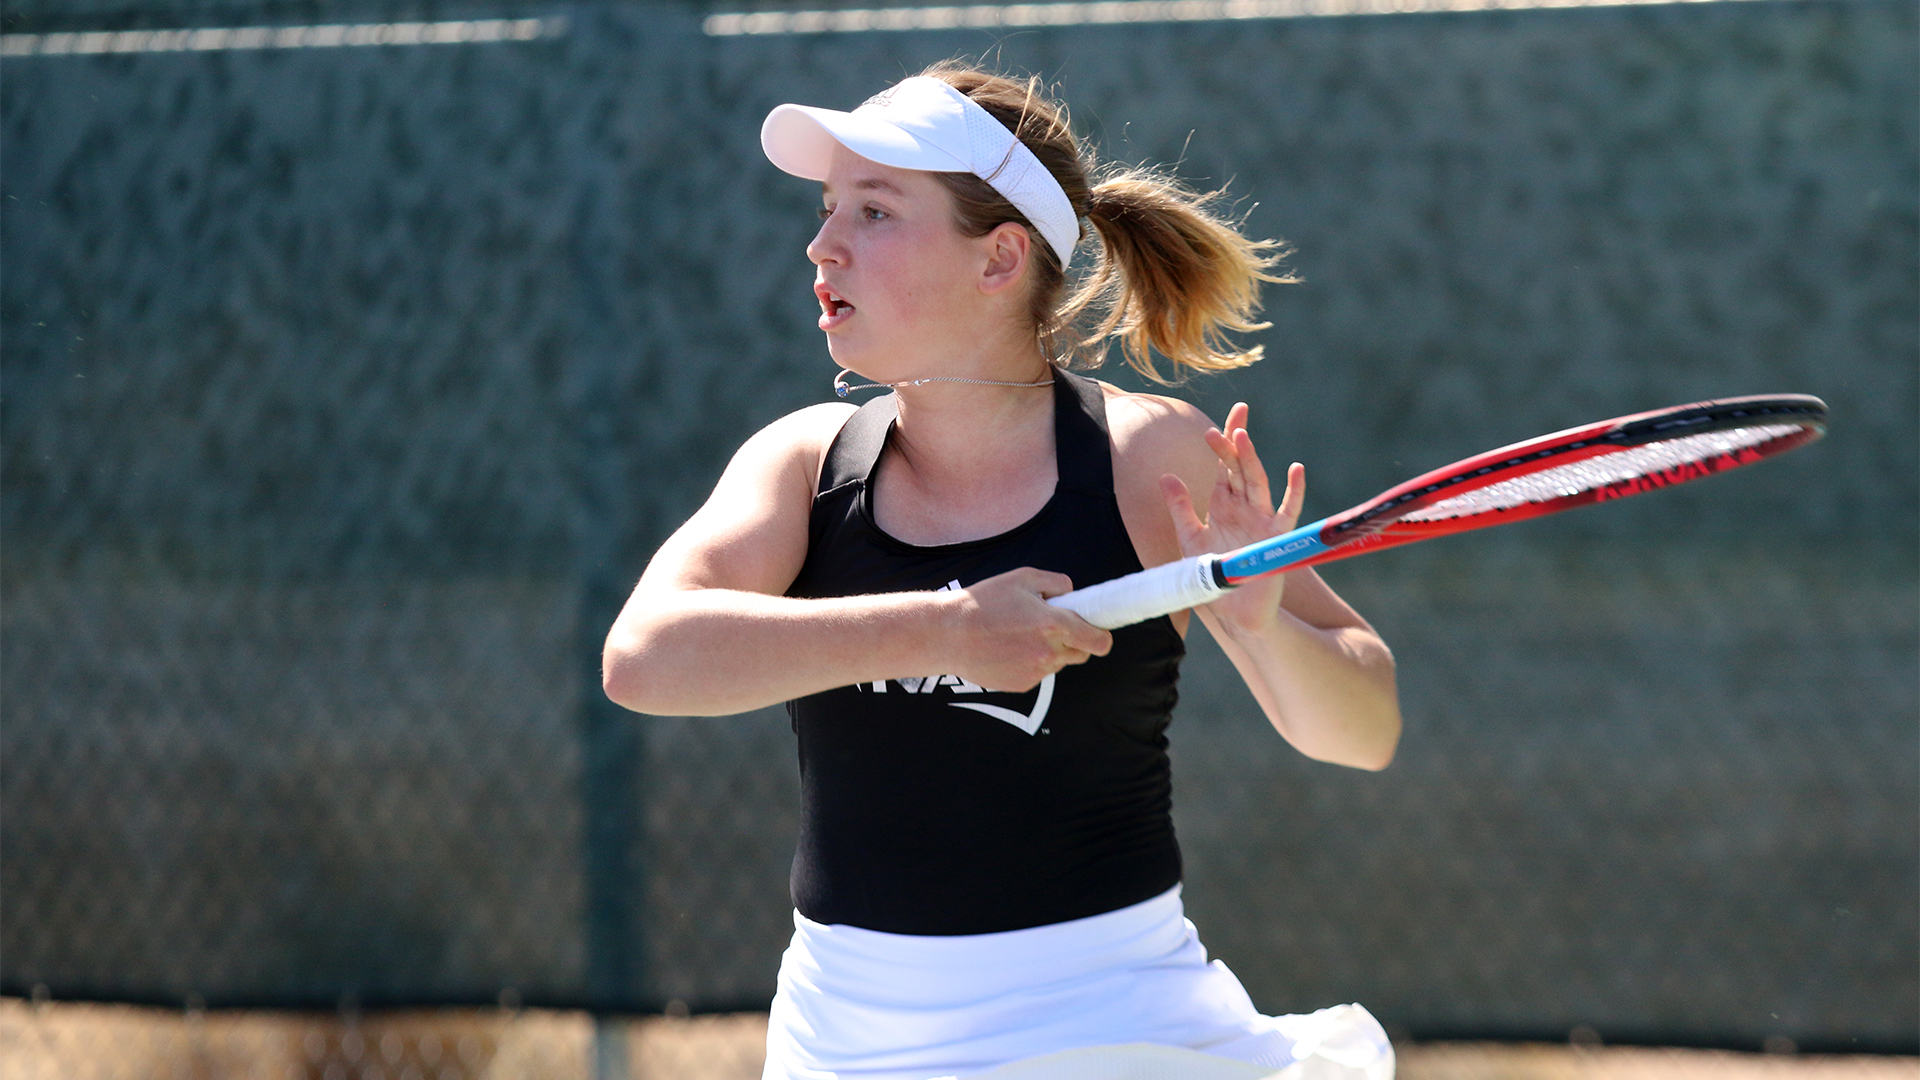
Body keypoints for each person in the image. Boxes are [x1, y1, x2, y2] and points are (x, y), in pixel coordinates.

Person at [602, 62, 1401, 1080]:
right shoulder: (804, 464)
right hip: (842, 1040)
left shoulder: (1148, 459)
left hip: (1116, 1030)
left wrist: (1260, 627)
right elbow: (642, 658)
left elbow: (1364, 730)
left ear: (1000, 259)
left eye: (876, 211)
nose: (822, 244)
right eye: (826, 208)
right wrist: (945, 630)